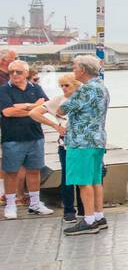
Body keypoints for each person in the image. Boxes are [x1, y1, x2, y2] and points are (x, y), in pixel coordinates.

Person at [56, 55, 109, 235]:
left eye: (75, 67)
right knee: (95, 180)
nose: (73, 70)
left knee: (82, 181)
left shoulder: (85, 90)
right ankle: (99, 216)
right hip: (97, 139)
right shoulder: (102, 87)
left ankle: (88, 220)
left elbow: (61, 110)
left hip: (81, 141)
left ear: (83, 70)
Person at [0, 60, 53, 219]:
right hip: (12, 138)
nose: (15, 75)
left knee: (34, 170)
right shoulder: (3, 90)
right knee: (11, 172)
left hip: (35, 137)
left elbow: (45, 107)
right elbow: (8, 112)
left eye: (18, 72)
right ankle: (10, 205)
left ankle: (35, 203)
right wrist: (32, 107)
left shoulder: (36, 88)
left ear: (26, 73)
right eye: (11, 72)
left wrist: (22, 106)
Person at [30, 72, 80, 223]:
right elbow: (34, 112)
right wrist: (54, 125)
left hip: (84, 143)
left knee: (85, 178)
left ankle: (86, 209)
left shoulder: (83, 98)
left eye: (67, 85)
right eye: (62, 86)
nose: (64, 88)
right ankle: (69, 210)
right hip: (66, 144)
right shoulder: (59, 100)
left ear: (76, 85)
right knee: (68, 177)